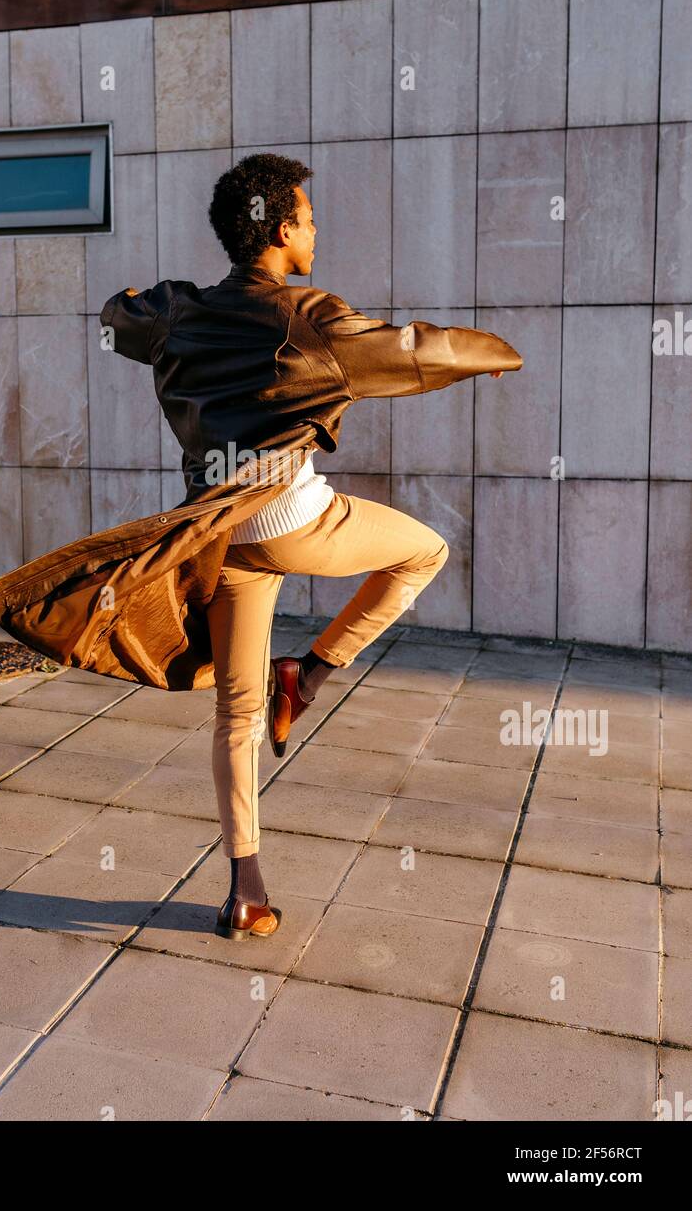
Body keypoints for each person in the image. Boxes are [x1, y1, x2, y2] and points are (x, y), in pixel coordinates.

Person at [100, 153, 519, 941]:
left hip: (218, 536)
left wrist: (139, 303)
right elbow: (412, 350)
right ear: (283, 230)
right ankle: (312, 670)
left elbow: (118, 318)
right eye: (310, 218)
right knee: (424, 552)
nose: (317, 231)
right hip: (292, 524)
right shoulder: (307, 314)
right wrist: (495, 353)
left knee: (235, 712)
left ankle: (245, 890)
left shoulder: (180, 311)